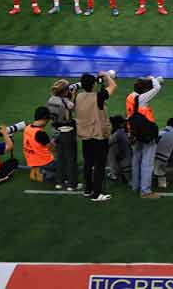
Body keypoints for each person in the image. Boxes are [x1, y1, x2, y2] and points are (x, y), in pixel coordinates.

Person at [76, 70, 116, 200]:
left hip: (85, 135)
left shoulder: (79, 96)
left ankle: (88, 190)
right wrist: (106, 76)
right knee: (99, 165)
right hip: (98, 135)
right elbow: (113, 86)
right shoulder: (98, 97)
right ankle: (97, 193)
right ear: (93, 84)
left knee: (88, 163)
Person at [126, 76, 162, 198]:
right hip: (146, 133)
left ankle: (135, 185)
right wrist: (153, 78)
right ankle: (145, 191)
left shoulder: (130, 97)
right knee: (147, 162)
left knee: (136, 159)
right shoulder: (142, 98)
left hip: (135, 132)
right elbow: (157, 88)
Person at [47, 79, 78, 190]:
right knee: (71, 158)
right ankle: (71, 184)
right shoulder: (65, 101)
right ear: (65, 91)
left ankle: (59, 182)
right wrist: (73, 96)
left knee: (60, 158)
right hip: (67, 132)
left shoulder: (50, 99)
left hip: (55, 131)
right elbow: (73, 108)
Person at [24, 107, 56, 184]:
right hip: (45, 162)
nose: (48, 121)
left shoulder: (27, 128)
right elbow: (52, 148)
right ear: (44, 119)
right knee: (69, 168)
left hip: (32, 160)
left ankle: (35, 171)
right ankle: (42, 175)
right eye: (48, 119)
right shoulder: (41, 134)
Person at [107, 115, 131, 186]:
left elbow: (108, 143)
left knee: (111, 150)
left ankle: (115, 174)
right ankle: (117, 174)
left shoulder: (117, 133)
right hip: (124, 158)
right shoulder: (121, 132)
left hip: (121, 157)